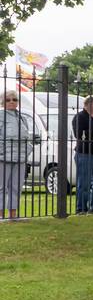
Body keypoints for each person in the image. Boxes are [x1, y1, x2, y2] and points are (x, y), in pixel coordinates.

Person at [1, 89, 33, 220]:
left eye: (14, 99)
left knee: (16, 186)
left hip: (20, 157)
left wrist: (28, 149)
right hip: (3, 157)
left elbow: (27, 137)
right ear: (3, 102)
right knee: (1, 186)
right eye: (8, 100)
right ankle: (1, 215)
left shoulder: (22, 118)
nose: (12, 102)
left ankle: (13, 214)